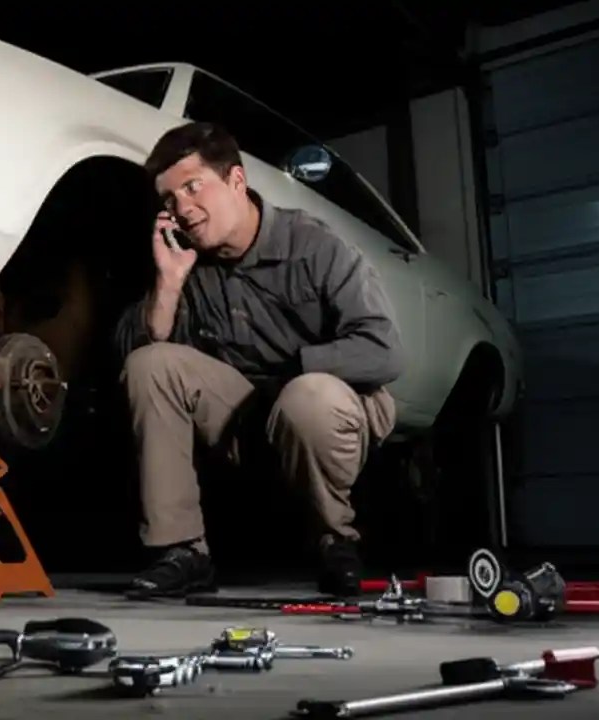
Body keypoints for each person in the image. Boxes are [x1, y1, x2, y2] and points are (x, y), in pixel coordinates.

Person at [114, 121, 404, 599]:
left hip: (335, 410)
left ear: (236, 182)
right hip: (252, 418)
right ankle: (183, 551)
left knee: (307, 395)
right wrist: (167, 285)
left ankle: (335, 540)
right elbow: (135, 356)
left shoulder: (315, 245)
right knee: (152, 365)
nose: (182, 209)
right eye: (169, 201)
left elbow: (385, 350)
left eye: (192, 187)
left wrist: (297, 369)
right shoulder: (192, 268)